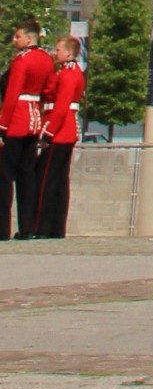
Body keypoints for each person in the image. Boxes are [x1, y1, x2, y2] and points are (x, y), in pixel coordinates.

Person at [0, 19, 53, 240]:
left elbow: (12, 94)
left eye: (18, 36)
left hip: (17, 121)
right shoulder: (47, 60)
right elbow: (49, 91)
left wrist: (2, 125)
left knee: (4, 178)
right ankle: (27, 228)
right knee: (27, 178)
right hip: (34, 121)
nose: (15, 40)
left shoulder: (22, 60)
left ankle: (2, 229)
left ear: (29, 38)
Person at [35, 32, 84, 238]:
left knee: (46, 180)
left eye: (58, 50)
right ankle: (56, 228)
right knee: (60, 181)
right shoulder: (74, 72)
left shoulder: (67, 74)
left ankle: (43, 227)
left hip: (59, 132)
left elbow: (61, 106)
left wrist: (47, 133)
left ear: (69, 53)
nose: (55, 53)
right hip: (67, 131)